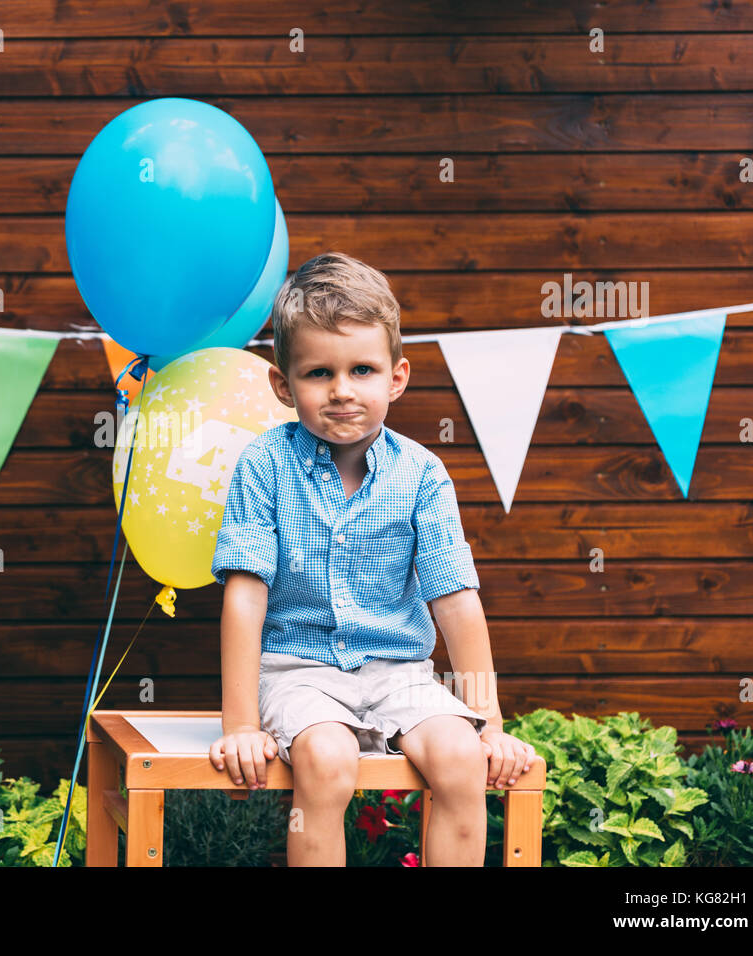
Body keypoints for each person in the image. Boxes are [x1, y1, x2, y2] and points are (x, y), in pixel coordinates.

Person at [208, 252, 536, 866]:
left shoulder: (422, 474)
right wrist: (241, 724)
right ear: (283, 385)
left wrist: (487, 719)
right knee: (327, 761)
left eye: (362, 370)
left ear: (396, 378)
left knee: (462, 759)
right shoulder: (264, 467)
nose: (341, 392)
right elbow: (246, 596)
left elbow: (456, 602)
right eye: (317, 374)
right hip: (295, 671)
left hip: (400, 674)